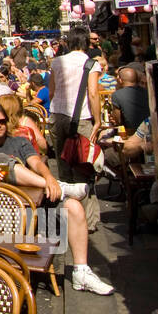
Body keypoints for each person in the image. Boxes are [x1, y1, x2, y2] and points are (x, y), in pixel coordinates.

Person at [0, 104, 111, 295]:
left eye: (2, 121)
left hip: (33, 204)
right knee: (2, 162)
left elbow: (36, 162)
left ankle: (81, 271)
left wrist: (49, 178)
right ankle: (63, 186)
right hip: (2, 211)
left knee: (74, 206)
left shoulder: (20, 143)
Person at [49, 25, 104, 227]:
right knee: (83, 169)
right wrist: (97, 121)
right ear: (85, 43)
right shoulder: (91, 64)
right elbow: (93, 94)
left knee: (63, 169)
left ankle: (66, 218)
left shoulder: (57, 62)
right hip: (81, 119)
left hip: (58, 117)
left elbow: (52, 91)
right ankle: (87, 221)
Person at [109, 66, 150, 136]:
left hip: (131, 134)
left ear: (120, 80)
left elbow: (118, 122)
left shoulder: (117, 95)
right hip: (149, 130)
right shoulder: (147, 92)